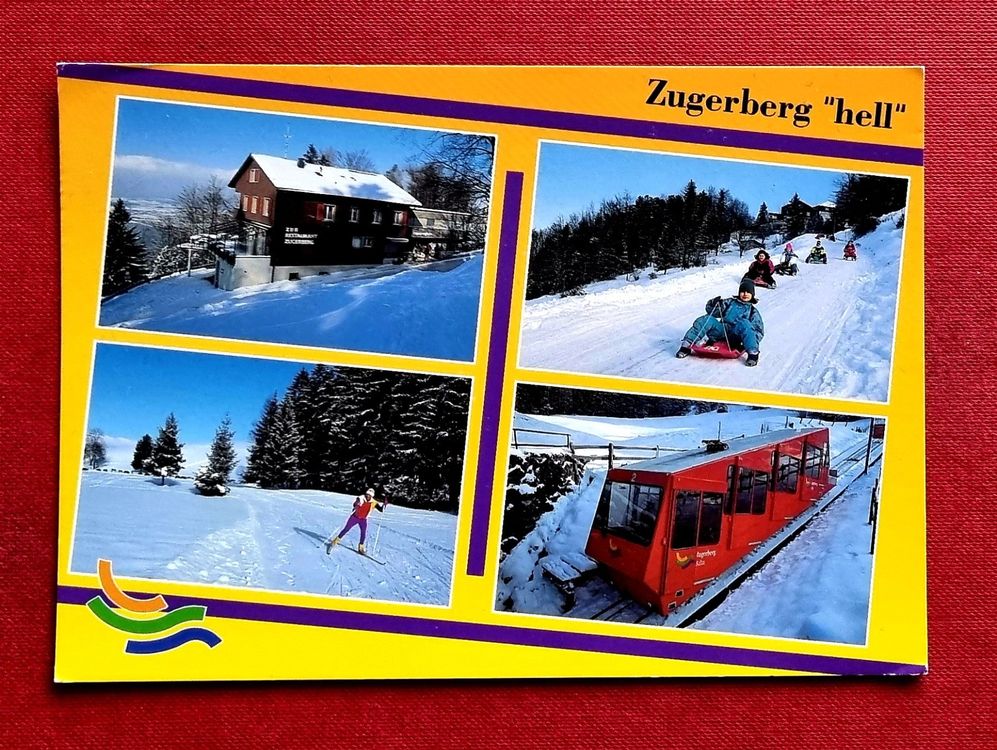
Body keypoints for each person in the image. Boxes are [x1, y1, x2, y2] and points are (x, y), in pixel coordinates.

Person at [677, 278, 765, 366]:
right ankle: (686, 345)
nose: (745, 294)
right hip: (721, 332)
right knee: (707, 319)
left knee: (744, 323)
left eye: (748, 292)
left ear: (752, 294)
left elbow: (757, 331)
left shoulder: (753, 311)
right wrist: (713, 304)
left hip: (736, 337)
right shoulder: (729, 303)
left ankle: (753, 354)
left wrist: (745, 342)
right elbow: (713, 312)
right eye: (743, 291)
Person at [326, 488, 386, 555]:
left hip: (363, 520)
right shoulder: (361, 498)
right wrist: (356, 504)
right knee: (346, 529)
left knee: (363, 533)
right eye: (367, 494)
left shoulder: (374, 502)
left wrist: (384, 505)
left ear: (372, 496)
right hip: (354, 517)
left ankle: (361, 548)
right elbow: (355, 503)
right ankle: (335, 541)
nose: (368, 496)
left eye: (369, 495)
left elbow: (381, 510)